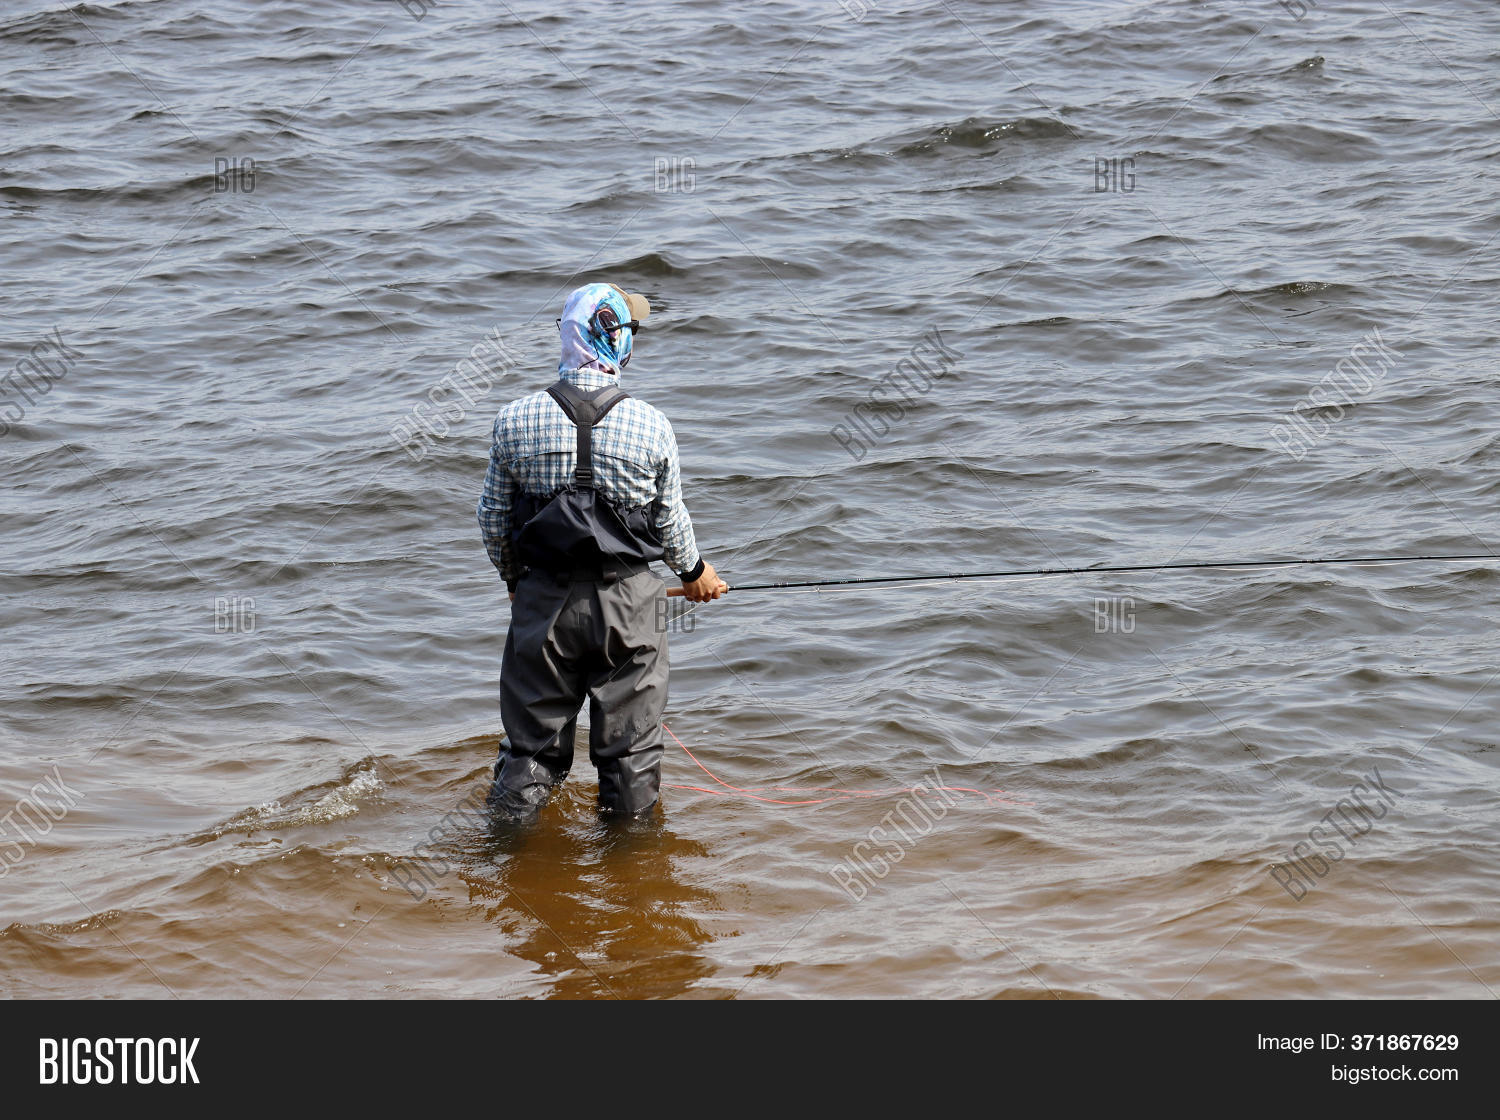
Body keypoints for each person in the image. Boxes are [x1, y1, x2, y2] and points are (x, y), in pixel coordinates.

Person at [477, 282, 727, 820]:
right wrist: (696, 572)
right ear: (616, 340)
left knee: (531, 751)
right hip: (632, 606)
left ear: (568, 333)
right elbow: (670, 523)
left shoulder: (514, 418)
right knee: (630, 756)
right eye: (629, 331)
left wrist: (516, 581)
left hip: (542, 605)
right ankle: (632, 877)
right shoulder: (653, 424)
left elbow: (492, 518)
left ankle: (505, 860)